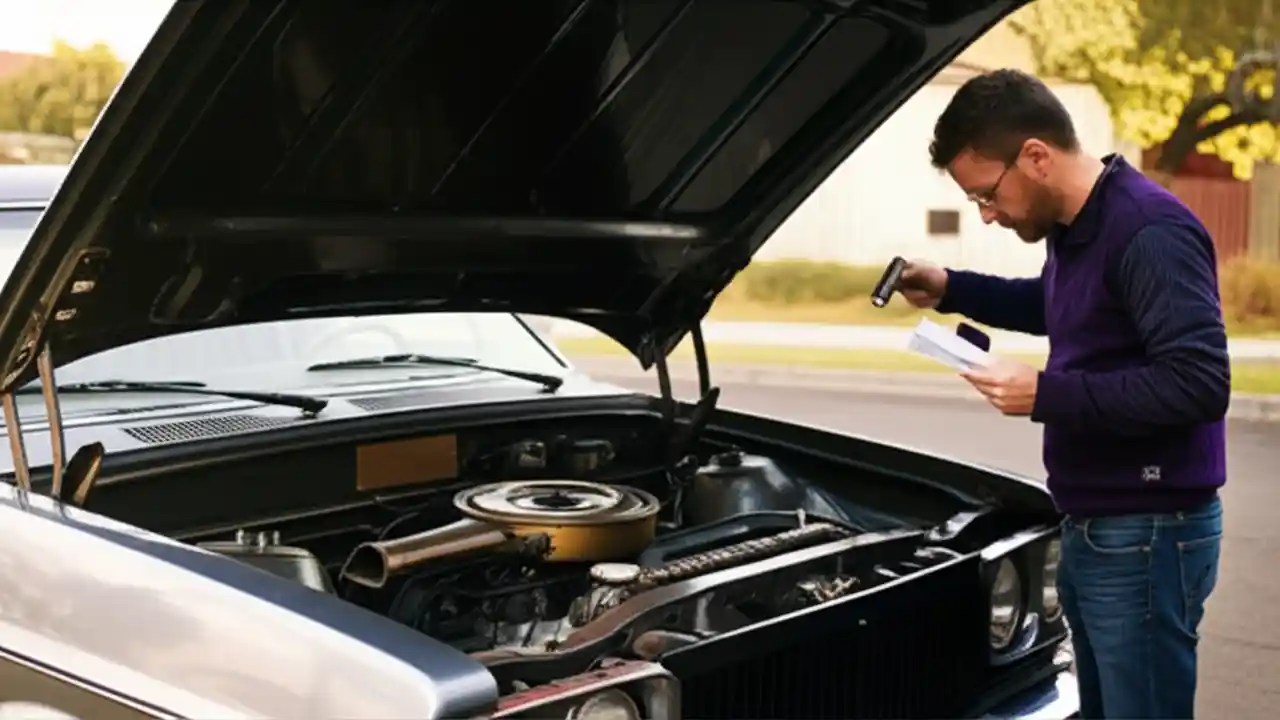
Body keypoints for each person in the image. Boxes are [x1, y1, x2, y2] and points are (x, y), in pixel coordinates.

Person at [896, 69, 1229, 719]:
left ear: (1036, 157)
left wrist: (1048, 394)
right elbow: (1060, 306)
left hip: (1148, 531)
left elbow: (1199, 383)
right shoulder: (1079, 226)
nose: (987, 215)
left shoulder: (1149, 231)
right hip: (1100, 524)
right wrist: (949, 286)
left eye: (986, 195)